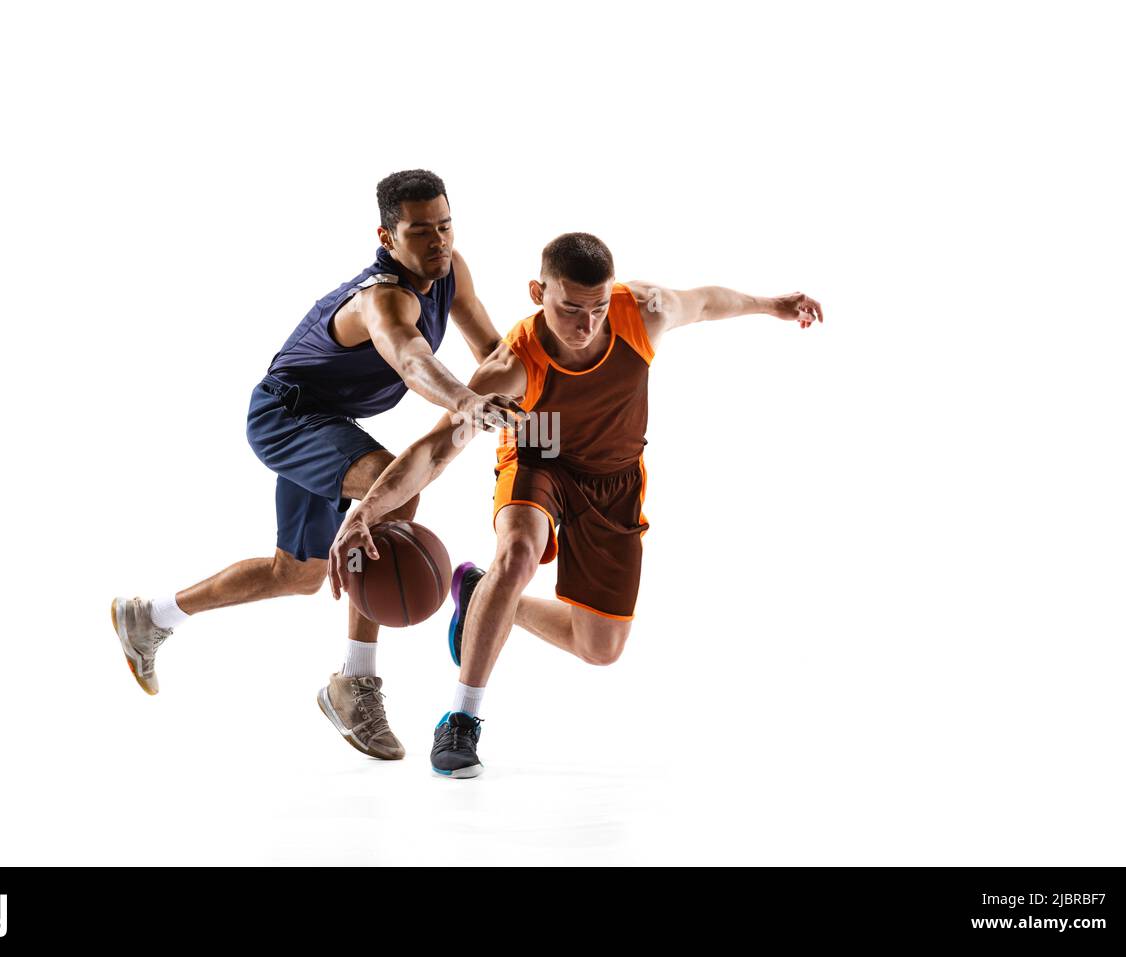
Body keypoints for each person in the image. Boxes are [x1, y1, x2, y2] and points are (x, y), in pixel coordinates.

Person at [327, 232, 823, 777]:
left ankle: (480, 593)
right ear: (538, 292)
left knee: (600, 648)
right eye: (569, 309)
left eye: (597, 308)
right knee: (517, 554)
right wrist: (367, 512)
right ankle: (461, 720)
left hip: (614, 478)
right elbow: (434, 450)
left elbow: (705, 301)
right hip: (539, 450)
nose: (586, 326)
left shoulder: (643, 313)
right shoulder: (512, 367)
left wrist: (773, 305)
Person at [110, 170, 523, 763]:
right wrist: (465, 401)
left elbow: (493, 352)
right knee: (396, 491)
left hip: (328, 424)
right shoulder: (382, 300)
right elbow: (411, 361)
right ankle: (355, 681)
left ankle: (149, 617)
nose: (438, 242)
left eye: (446, 226)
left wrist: (553, 392)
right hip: (286, 415)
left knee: (298, 575)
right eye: (419, 232)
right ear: (386, 236)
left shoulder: (450, 271)